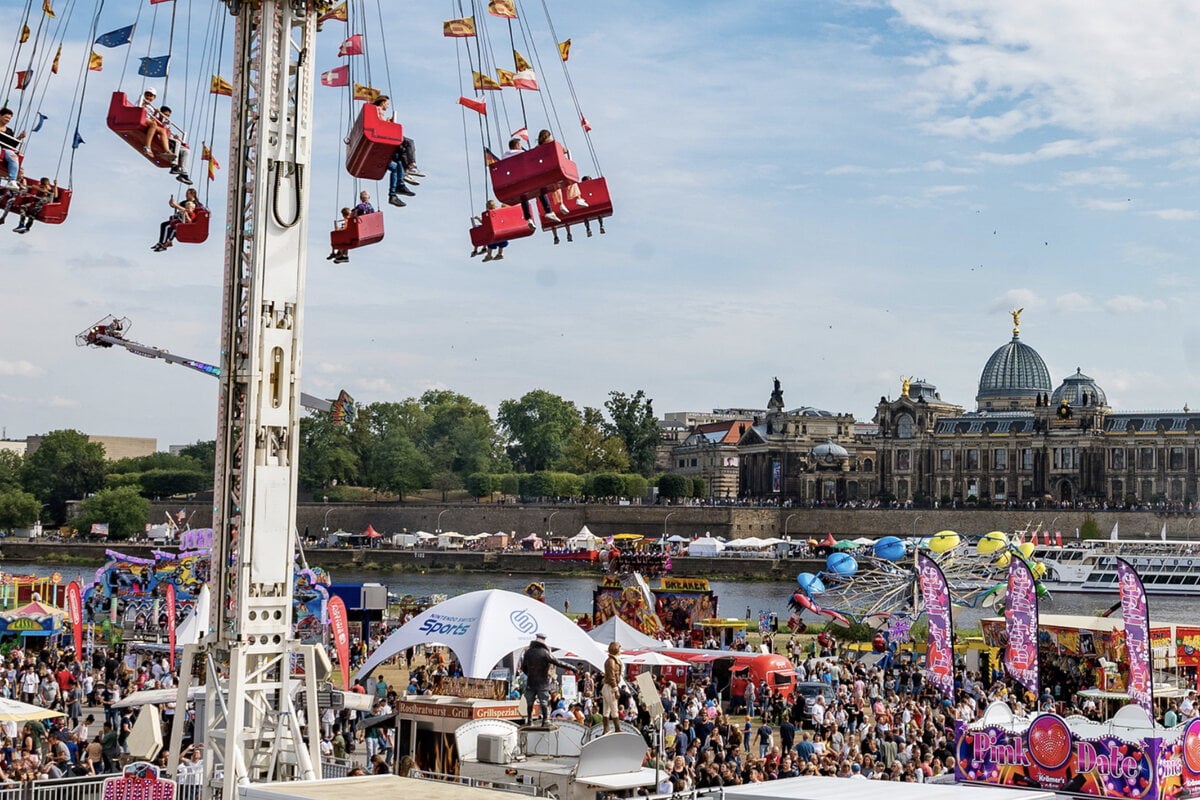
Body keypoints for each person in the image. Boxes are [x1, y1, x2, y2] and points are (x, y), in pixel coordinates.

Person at [501, 137, 559, 227]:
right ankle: (548, 211)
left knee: (523, 196)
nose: (521, 147)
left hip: (514, 183)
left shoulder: (504, 156)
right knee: (540, 187)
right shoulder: (521, 153)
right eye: (520, 145)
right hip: (525, 179)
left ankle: (528, 218)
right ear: (517, 145)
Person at [373, 96, 418, 207]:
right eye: (387, 103)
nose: (387, 106)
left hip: (379, 150)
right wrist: (389, 122)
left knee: (396, 164)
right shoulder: (377, 110)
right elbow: (379, 124)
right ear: (382, 103)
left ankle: (395, 192)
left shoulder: (377, 111)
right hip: (379, 145)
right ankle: (410, 167)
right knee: (408, 144)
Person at [520, 632, 572, 726]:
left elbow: (523, 667)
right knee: (544, 702)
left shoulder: (528, 652)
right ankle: (545, 720)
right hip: (542, 683)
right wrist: (572, 667)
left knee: (530, 703)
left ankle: (530, 721)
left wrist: (530, 674)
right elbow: (558, 663)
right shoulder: (545, 653)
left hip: (531, 682)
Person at [0, 107, 26, 190]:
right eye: (6, 117)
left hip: (5, 150)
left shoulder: (9, 131)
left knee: (13, 156)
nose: (8, 120)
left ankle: (12, 181)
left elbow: (12, 145)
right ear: (0, 116)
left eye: (9, 118)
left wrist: (20, 137)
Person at [602, 640, 622, 734]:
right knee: (614, 709)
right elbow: (611, 677)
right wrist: (616, 689)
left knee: (606, 710)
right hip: (610, 687)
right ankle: (617, 729)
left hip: (607, 687)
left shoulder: (611, 660)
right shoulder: (612, 661)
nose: (620, 651)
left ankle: (606, 729)